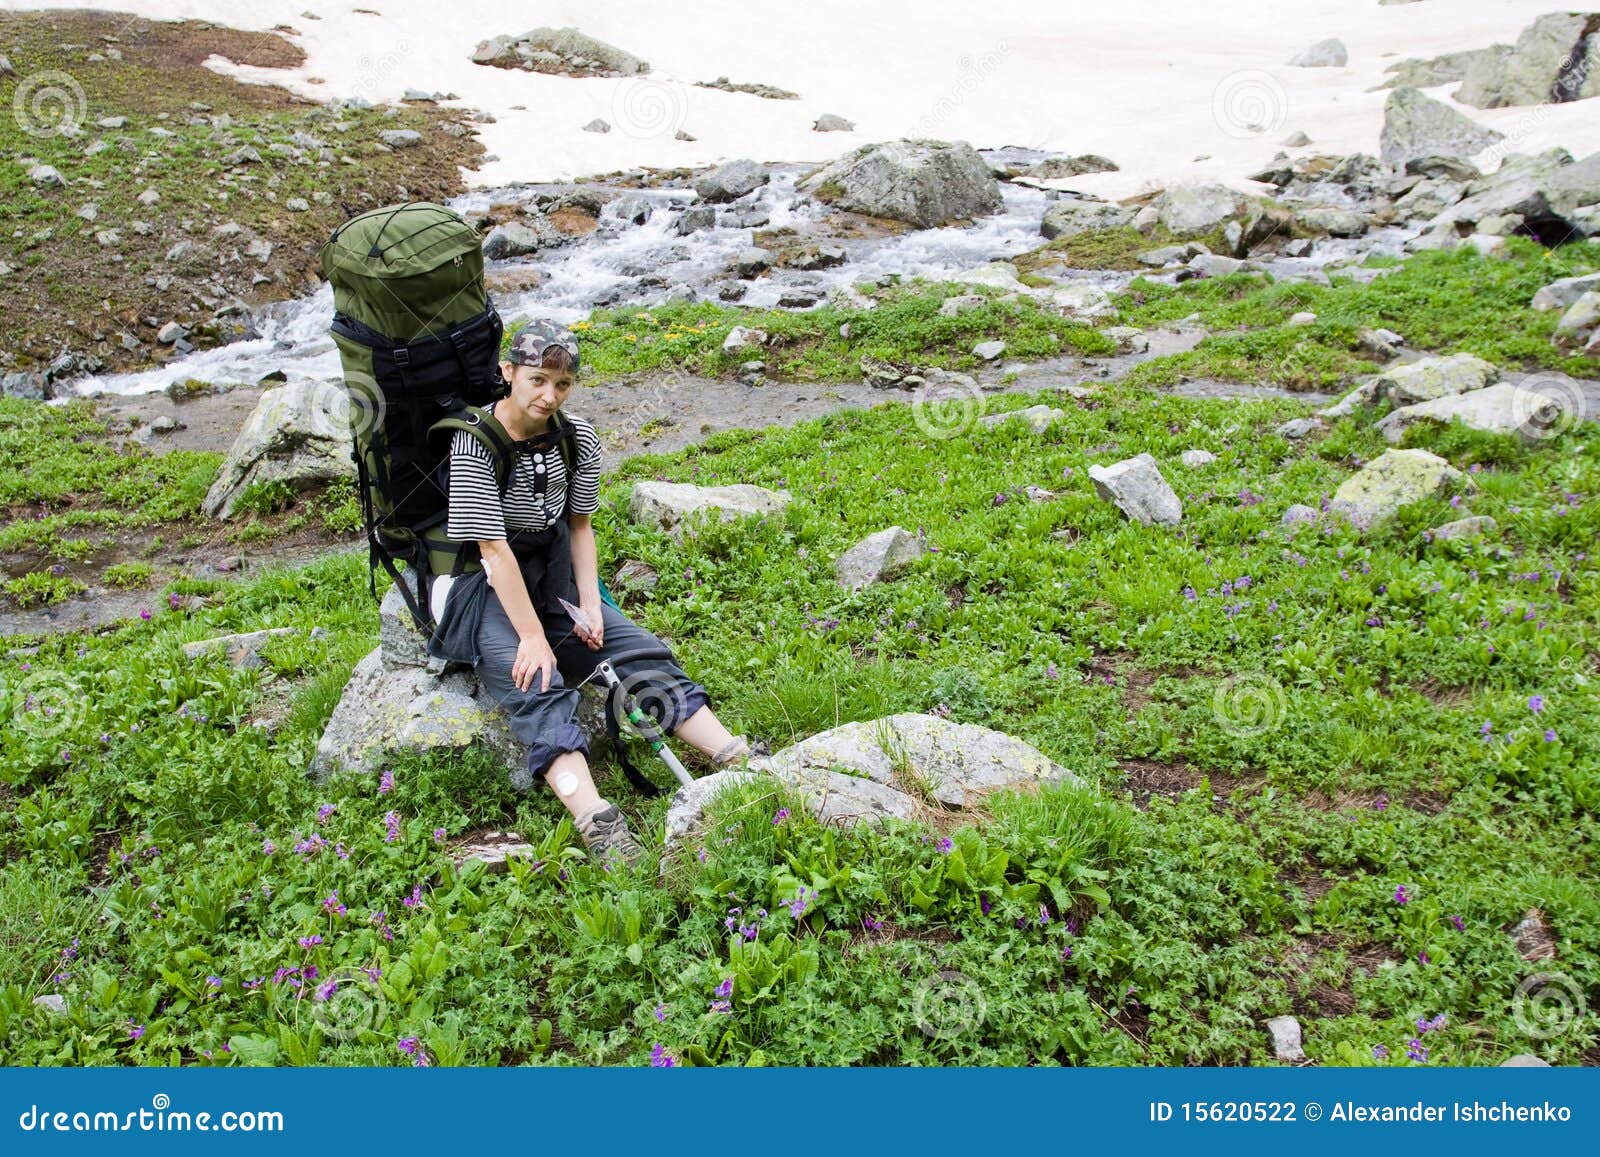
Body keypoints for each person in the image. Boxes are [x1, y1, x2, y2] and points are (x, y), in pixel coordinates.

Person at [425, 319, 766, 868]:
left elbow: (579, 526)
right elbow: (492, 551)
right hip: (484, 584)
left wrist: (589, 603)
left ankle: (732, 755)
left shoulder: (577, 437)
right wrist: (534, 637)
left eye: (561, 385)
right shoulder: (474, 444)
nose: (548, 396)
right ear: (507, 372)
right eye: (536, 380)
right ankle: (596, 821)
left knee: (634, 650)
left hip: (552, 573)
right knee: (536, 679)